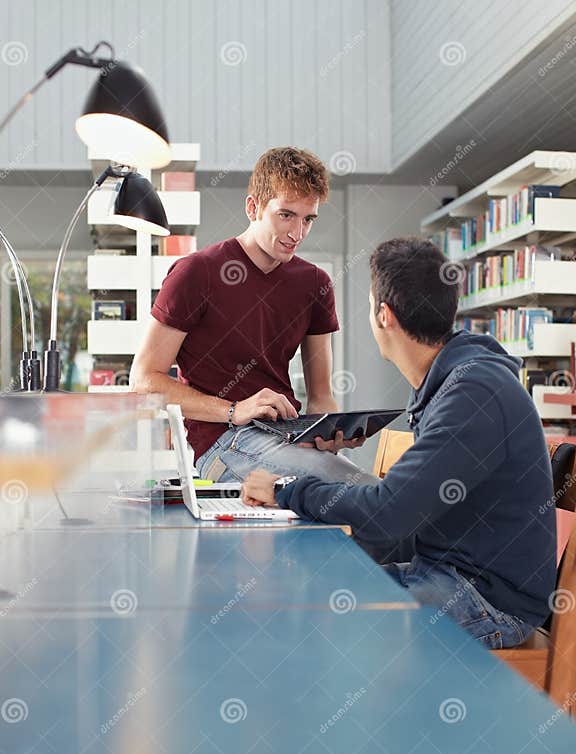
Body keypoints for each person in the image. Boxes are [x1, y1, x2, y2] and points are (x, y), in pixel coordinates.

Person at [242, 237, 557, 649]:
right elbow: (404, 513)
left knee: (324, 629)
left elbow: (389, 514)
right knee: (306, 592)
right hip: (448, 571)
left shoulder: (473, 392)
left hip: (488, 599)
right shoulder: (448, 383)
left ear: (384, 315)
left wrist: (288, 492)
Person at [130, 147, 376, 487]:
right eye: (286, 215)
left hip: (290, 437)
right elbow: (143, 380)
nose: (298, 233)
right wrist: (235, 410)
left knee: (360, 490)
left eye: (308, 219)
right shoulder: (196, 273)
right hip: (222, 442)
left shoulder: (315, 284)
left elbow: (321, 394)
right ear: (253, 207)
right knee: (359, 490)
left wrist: (330, 432)